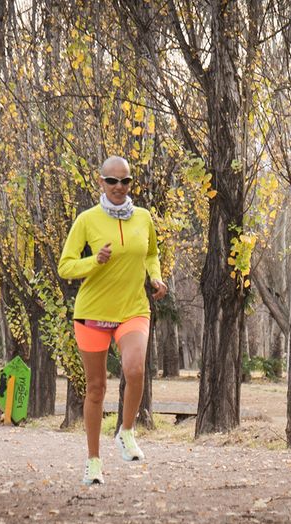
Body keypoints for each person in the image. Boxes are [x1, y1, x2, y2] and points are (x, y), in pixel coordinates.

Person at [57, 155, 167, 486]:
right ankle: (93, 461)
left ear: (131, 183)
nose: (119, 187)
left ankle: (126, 431)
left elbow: (151, 253)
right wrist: (94, 261)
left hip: (133, 308)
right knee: (96, 388)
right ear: (101, 183)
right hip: (92, 313)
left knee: (135, 371)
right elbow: (65, 266)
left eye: (125, 181)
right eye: (112, 181)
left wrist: (156, 278)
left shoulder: (144, 218)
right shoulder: (87, 220)